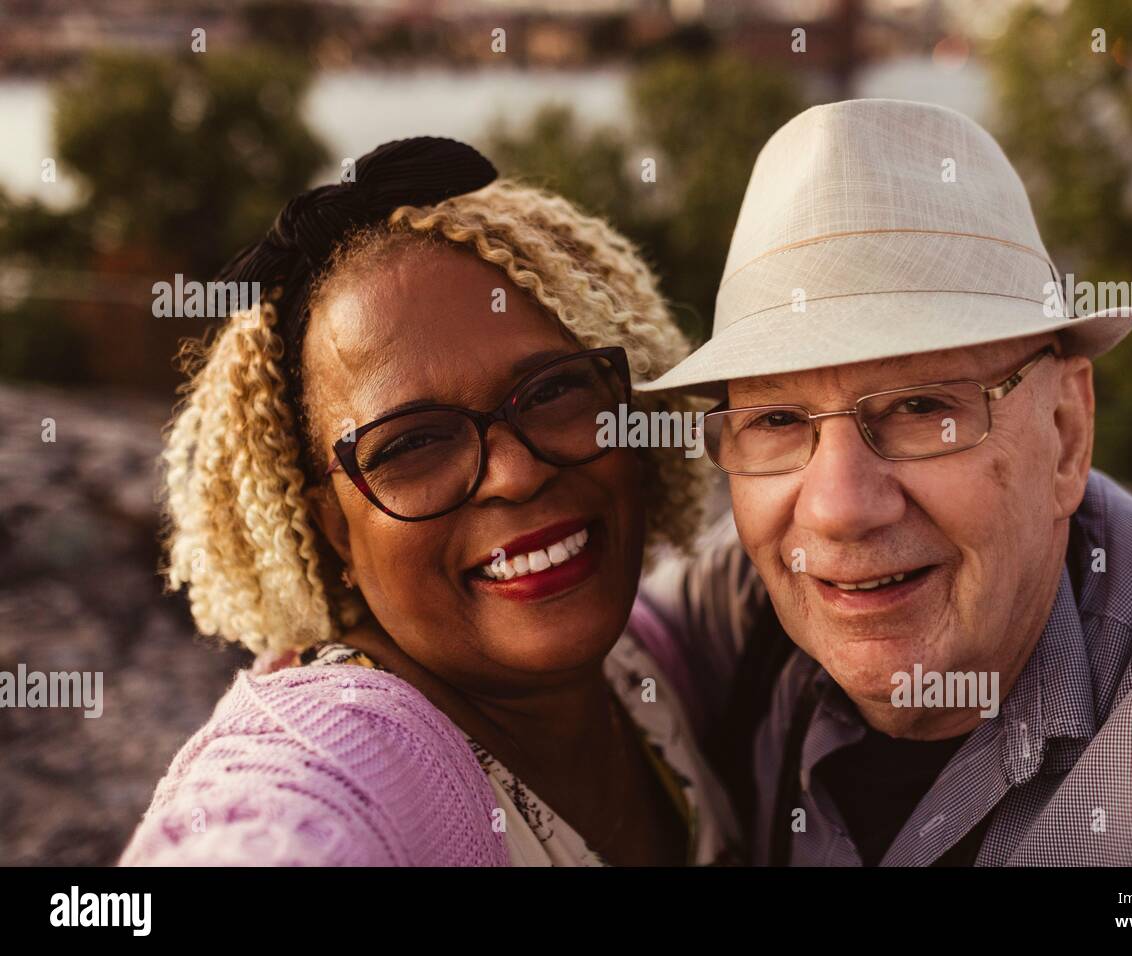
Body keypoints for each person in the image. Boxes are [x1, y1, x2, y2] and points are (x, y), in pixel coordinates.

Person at [636, 99, 1132, 866]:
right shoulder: (740, 617)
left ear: (1064, 435)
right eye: (778, 422)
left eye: (922, 407)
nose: (838, 508)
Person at [119, 137, 738, 866]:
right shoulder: (336, 753)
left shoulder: (658, 664)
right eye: (412, 444)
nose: (513, 475)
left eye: (553, 390)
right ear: (331, 532)